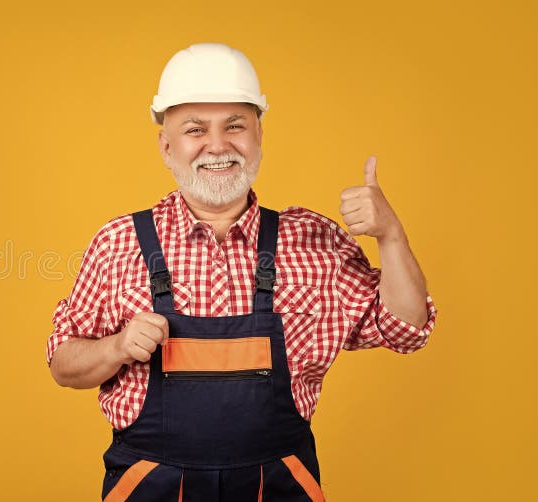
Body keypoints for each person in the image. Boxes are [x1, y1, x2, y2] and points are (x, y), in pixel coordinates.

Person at [46, 42, 437, 502]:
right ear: (166, 146)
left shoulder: (313, 241)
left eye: (236, 125)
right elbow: (62, 364)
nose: (218, 145)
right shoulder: (119, 243)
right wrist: (115, 347)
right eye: (195, 129)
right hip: (148, 487)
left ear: (258, 136)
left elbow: (407, 328)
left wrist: (391, 235)